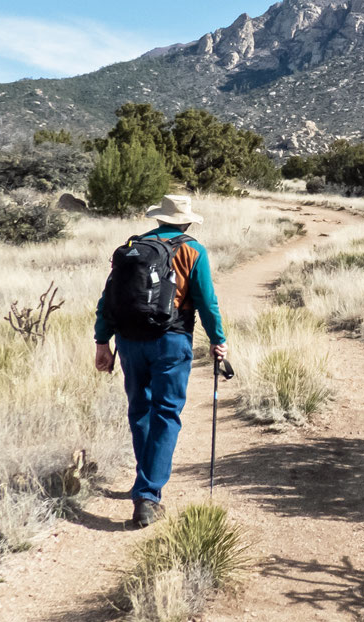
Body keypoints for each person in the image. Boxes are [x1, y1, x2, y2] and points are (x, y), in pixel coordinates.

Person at [92, 194, 228, 529]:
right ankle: (148, 495)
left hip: (128, 340)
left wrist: (102, 342)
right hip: (171, 340)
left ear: (159, 219)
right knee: (166, 413)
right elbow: (206, 302)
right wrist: (218, 340)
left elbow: (108, 299)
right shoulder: (193, 250)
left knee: (140, 409)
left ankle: (145, 482)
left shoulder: (133, 247)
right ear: (186, 221)